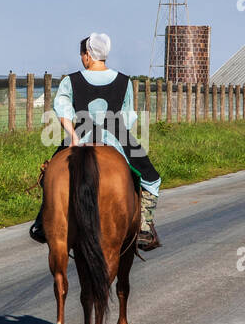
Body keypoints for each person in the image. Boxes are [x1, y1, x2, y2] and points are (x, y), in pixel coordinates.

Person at [28, 32, 163, 250]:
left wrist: (73, 135)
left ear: (88, 55)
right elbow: (128, 117)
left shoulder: (70, 81)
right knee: (151, 179)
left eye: (83, 54)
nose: (82, 58)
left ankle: (43, 222)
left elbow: (62, 109)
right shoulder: (124, 81)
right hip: (117, 134)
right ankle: (144, 226)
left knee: (51, 175)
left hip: (80, 134)